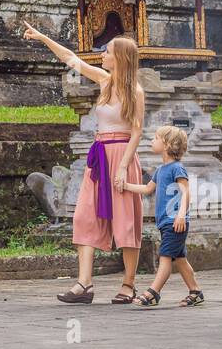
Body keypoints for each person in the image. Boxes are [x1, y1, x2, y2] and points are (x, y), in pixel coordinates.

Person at [22, 22, 144, 305]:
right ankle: (84, 284)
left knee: (126, 224)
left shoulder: (135, 91)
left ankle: (128, 284)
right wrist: (43, 38)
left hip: (122, 156)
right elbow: (71, 59)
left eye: (108, 51)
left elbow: (137, 131)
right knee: (84, 217)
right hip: (99, 157)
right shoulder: (103, 81)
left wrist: (124, 167)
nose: (102, 53)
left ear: (121, 58)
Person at [128, 125, 204, 307]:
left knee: (165, 257)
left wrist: (180, 216)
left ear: (167, 144)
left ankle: (153, 292)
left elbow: (186, 193)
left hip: (174, 222)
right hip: (165, 223)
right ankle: (195, 292)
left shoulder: (177, 168)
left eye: (155, 138)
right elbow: (147, 189)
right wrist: (125, 186)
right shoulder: (161, 170)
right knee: (180, 258)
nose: (151, 141)